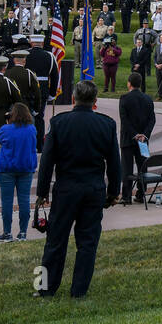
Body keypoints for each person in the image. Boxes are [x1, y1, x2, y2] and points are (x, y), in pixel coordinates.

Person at [34, 81, 121, 297]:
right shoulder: (106, 124)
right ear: (95, 101)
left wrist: (42, 192)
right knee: (88, 242)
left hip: (66, 189)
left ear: (73, 99)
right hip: (93, 189)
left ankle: (45, 288)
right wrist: (113, 192)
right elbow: (114, 162)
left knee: (55, 241)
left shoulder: (59, 122)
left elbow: (47, 161)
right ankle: (79, 290)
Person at [0, 102, 39, 242]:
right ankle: (23, 232)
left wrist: (7, 122)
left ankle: (7, 233)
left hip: (7, 168)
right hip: (26, 168)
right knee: (24, 200)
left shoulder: (6, 129)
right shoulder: (32, 129)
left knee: (7, 201)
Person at [118, 71, 156, 204]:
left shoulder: (124, 98)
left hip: (128, 139)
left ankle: (126, 196)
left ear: (129, 83)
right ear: (140, 84)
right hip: (143, 140)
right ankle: (141, 194)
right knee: (142, 167)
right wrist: (144, 134)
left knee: (127, 168)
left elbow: (124, 120)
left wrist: (135, 134)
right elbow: (152, 119)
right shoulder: (147, 98)